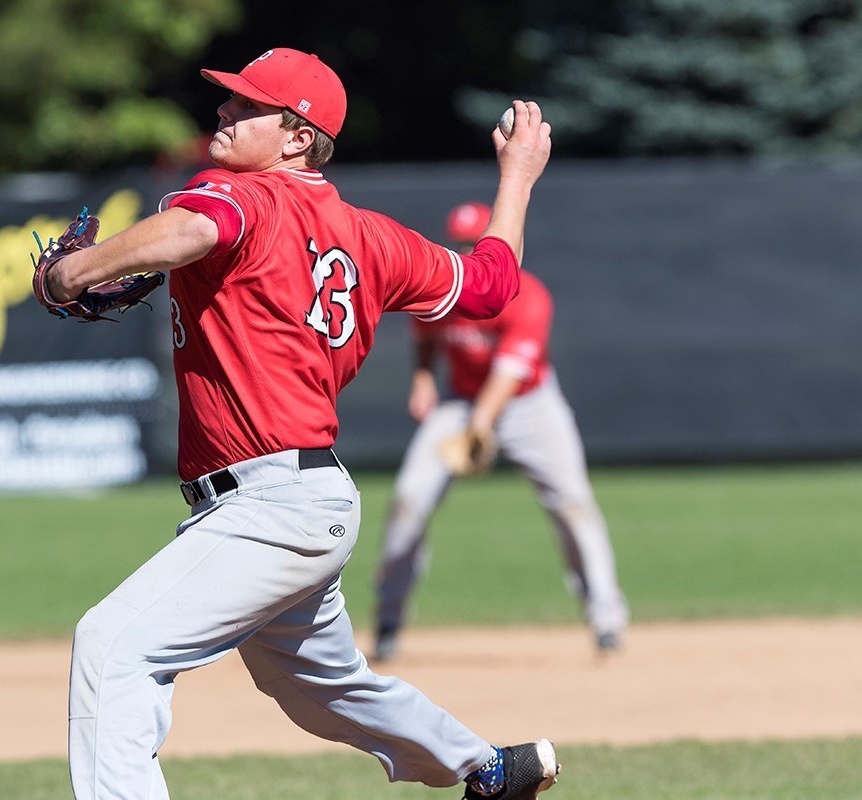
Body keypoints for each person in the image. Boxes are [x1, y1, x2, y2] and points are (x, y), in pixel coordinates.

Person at [38, 48, 557, 800]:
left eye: (247, 106)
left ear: (295, 137)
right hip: (303, 500)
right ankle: (488, 769)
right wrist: (517, 179)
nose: (224, 112)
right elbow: (487, 286)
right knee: (321, 685)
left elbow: (195, 231)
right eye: (229, 100)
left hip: (272, 503)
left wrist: (68, 273)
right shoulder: (372, 236)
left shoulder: (243, 194)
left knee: (113, 649)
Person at [372, 201, 629, 662]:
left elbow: (510, 373)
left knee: (572, 502)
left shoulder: (527, 295)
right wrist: (423, 378)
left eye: (478, 243)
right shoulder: (442, 287)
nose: (469, 251)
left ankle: (606, 616)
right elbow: (425, 334)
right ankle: (388, 621)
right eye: (462, 243)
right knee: (409, 499)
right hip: (459, 402)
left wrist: (479, 429)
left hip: (530, 405)